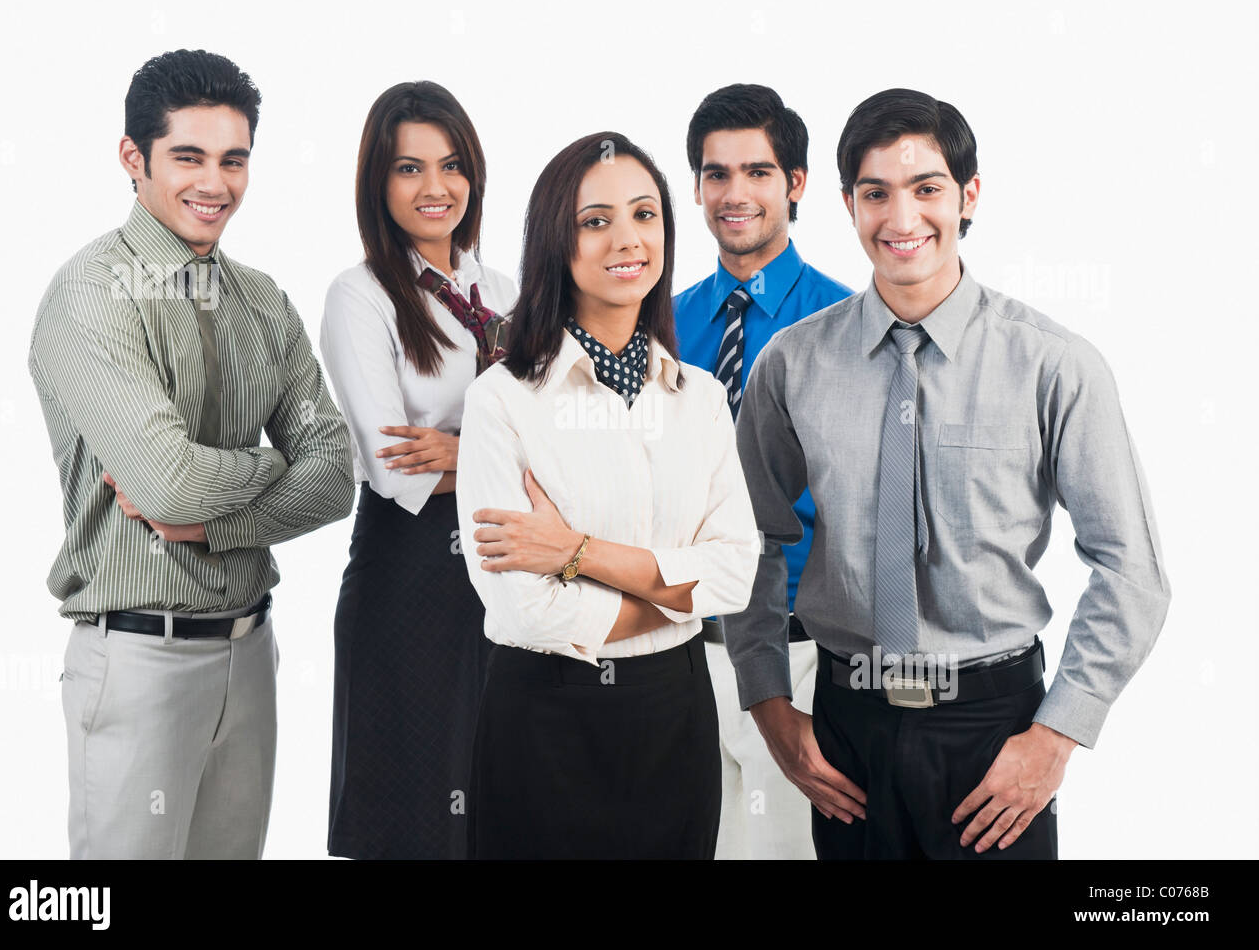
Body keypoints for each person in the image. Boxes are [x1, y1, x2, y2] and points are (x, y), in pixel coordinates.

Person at [724, 88, 1170, 860]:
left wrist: (1057, 735)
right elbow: (746, 540)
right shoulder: (789, 365)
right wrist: (766, 703)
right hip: (846, 733)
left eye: (926, 189)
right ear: (847, 204)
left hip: (993, 734)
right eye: (876, 193)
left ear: (967, 196)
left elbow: (1133, 570)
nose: (902, 220)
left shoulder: (1052, 365)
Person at [27, 49, 354, 859]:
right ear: (133, 159)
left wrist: (212, 525)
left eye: (234, 159)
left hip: (251, 657)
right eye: (189, 158)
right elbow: (165, 484)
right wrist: (273, 465)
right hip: (139, 658)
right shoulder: (91, 293)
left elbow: (337, 474)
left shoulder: (263, 301)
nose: (216, 183)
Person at [454, 132, 760, 859]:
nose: (627, 239)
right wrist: (670, 594)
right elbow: (520, 606)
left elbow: (736, 574)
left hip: (676, 720)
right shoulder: (503, 401)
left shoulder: (703, 400)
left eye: (645, 214)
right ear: (556, 240)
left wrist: (573, 552)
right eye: (596, 221)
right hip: (543, 722)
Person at [319, 81, 516, 860]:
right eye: (409, 169)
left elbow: (559, 452)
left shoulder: (505, 290)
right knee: (410, 815)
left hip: (506, 559)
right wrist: (506, 456)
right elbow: (397, 465)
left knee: (500, 799)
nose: (436, 189)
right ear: (378, 181)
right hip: (408, 577)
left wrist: (467, 452)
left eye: (452, 165)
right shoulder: (359, 296)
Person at [673, 83, 851, 859]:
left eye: (757, 172)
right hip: (676, 642)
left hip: (800, 647)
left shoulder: (845, 325)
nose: (734, 193)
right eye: (716, 174)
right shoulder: (660, 320)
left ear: (796, 185)